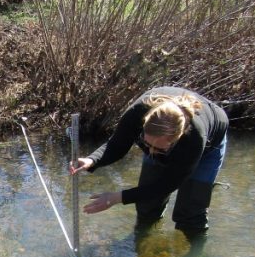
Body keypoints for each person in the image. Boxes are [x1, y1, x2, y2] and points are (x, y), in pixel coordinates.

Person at [69, 86, 228, 236]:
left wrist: (116, 198)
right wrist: (91, 160)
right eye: (146, 144)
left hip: (209, 148)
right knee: (147, 206)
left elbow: (167, 184)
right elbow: (117, 144)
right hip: (168, 140)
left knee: (190, 214)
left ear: (177, 138)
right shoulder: (137, 113)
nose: (151, 152)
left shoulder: (194, 138)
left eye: (158, 149)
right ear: (144, 124)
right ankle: (147, 240)